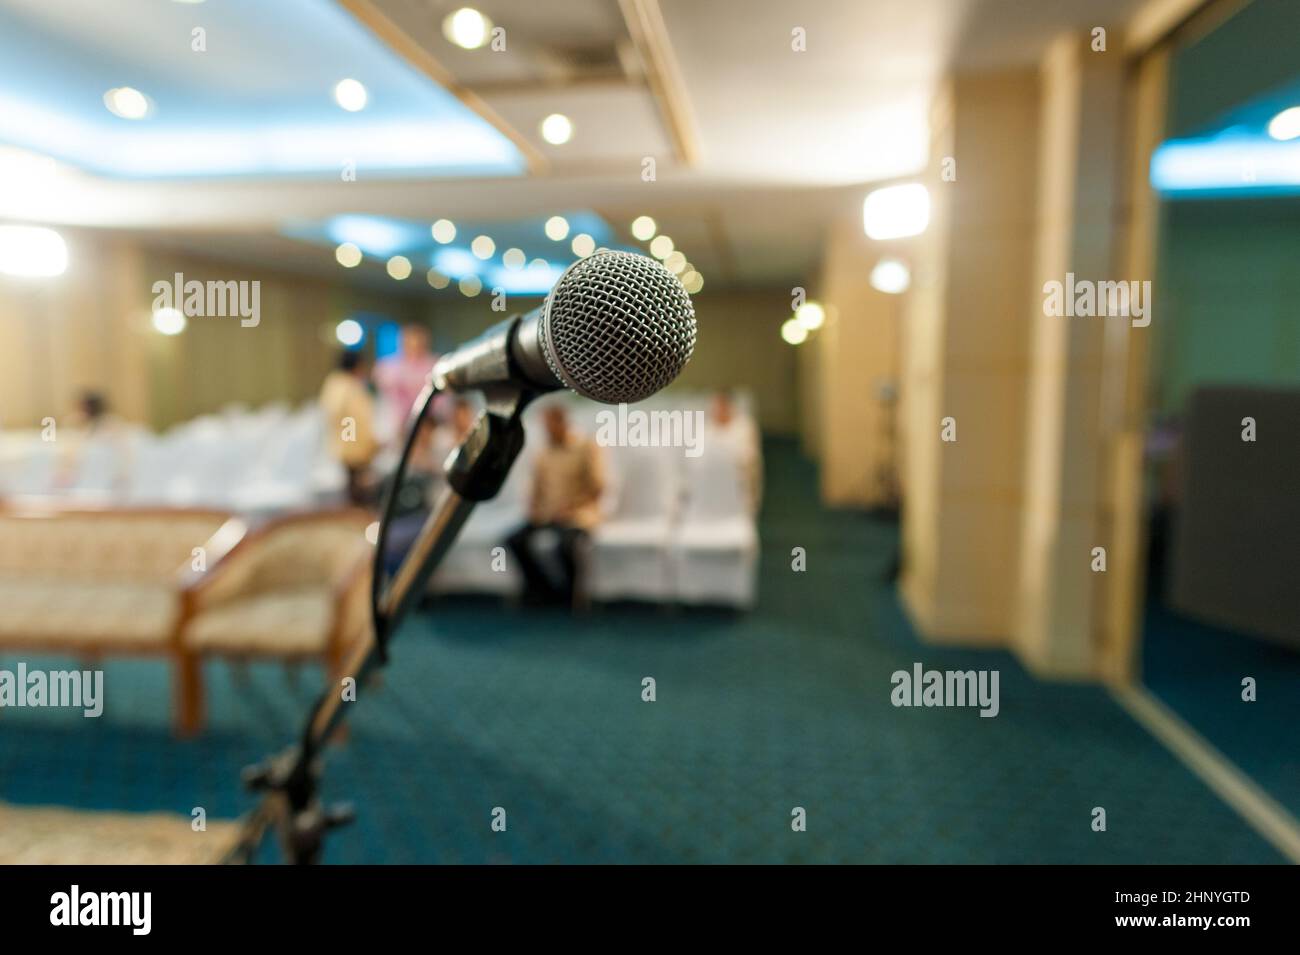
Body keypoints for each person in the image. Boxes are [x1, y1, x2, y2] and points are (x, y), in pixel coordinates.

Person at [506, 403, 606, 607]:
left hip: (577, 514)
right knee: (514, 540)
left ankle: (569, 595)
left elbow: (597, 488)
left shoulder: (586, 448)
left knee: (566, 545)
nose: (547, 430)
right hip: (547, 515)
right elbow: (536, 489)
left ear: (563, 423)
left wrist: (570, 508)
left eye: (550, 425)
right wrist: (534, 509)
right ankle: (539, 588)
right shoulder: (543, 454)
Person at [319, 350, 379, 506]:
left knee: (353, 490)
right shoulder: (348, 387)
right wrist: (364, 443)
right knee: (358, 494)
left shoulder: (335, 384)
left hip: (347, 445)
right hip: (353, 447)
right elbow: (353, 419)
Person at [374, 322, 437, 437]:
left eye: (418, 345)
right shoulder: (388, 366)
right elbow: (386, 397)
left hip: (427, 425)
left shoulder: (433, 365)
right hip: (396, 427)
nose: (414, 349)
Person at [706, 390, 762, 514]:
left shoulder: (744, 426)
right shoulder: (707, 429)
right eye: (716, 406)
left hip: (739, 487)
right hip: (712, 488)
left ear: (729, 406)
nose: (718, 410)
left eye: (722, 406)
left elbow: (748, 457)